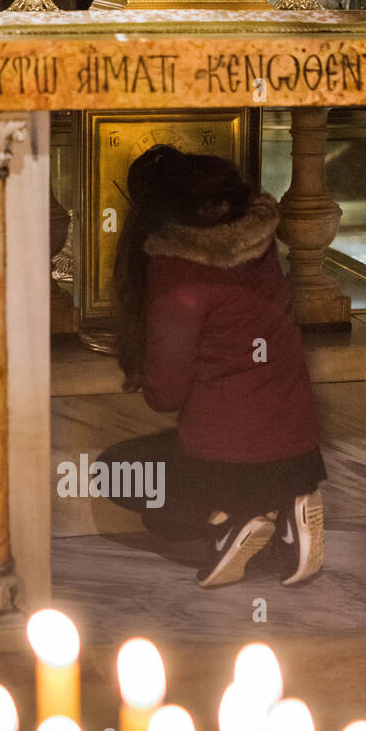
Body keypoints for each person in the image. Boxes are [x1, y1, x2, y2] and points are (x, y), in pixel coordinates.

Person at [97, 144, 325, 589]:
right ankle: (283, 512)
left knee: (115, 471)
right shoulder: (259, 249)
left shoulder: (177, 277)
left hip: (225, 460)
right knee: (229, 448)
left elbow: (165, 393)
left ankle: (232, 518)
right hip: (300, 450)